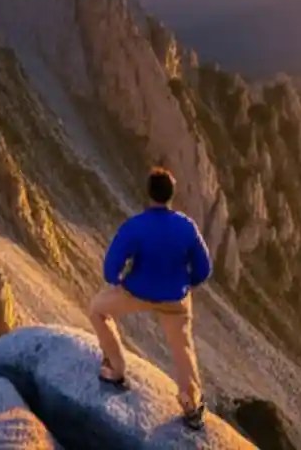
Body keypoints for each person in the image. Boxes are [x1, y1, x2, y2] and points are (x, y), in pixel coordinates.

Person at [88, 167, 212, 430]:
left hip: (137, 291)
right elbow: (204, 268)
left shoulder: (136, 226)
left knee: (98, 310)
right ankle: (191, 406)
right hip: (175, 300)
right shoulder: (186, 226)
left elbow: (111, 267)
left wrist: (120, 283)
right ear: (171, 195)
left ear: (149, 193)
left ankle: (116, 368)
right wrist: (186, 284)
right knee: (183, 348)